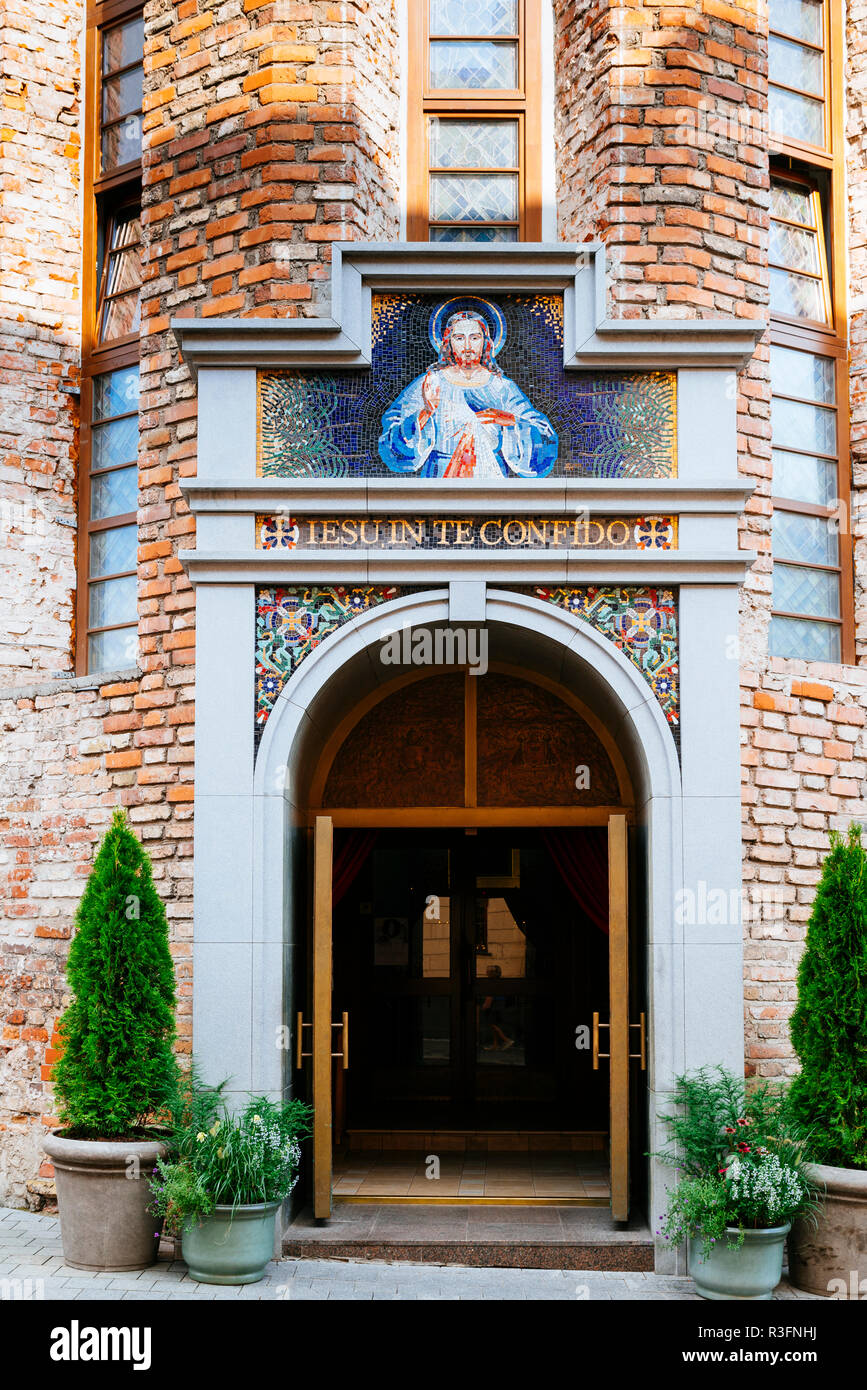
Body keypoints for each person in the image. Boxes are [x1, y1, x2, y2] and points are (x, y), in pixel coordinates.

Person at [378, 308, 558, 479]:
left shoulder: (502, 387)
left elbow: (544, 438)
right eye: (459, 338)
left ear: (486, 343)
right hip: (439, 477)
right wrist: (426, 411)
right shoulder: (431, 382)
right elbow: (391, 442)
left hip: (490, 476)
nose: (467, 347)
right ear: (448, 343)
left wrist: (509, 419)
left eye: (474, 338)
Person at [480, 964, 514, 1051]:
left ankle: (507, 1040)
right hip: (500, 1004)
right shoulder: (499, 981)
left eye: (488, 971)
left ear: (493, 973)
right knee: (495, 1025)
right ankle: (495, 1045)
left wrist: (485, 1006)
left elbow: (490, 996)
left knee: (492, 1024)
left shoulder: (491, 982)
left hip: (495, 1005)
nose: (486, 972)